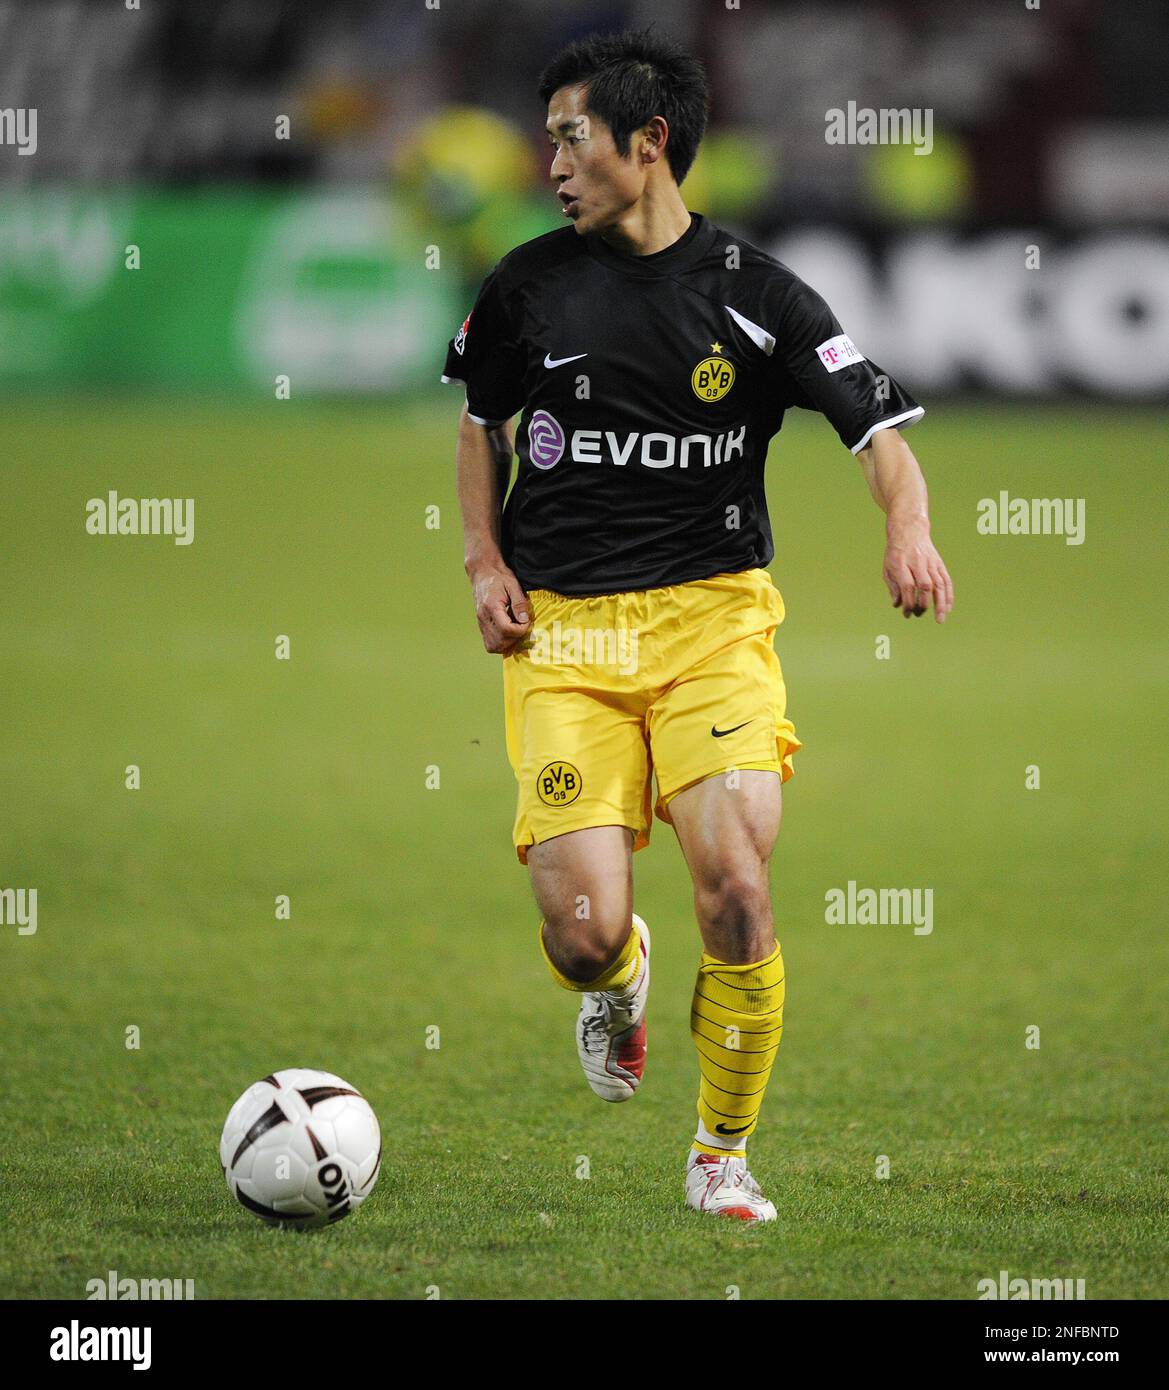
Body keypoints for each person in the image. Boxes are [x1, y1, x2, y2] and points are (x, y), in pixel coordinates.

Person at [442, 27, 953, 1221]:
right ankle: (613, 987)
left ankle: (720, 1152)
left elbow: (878, 432)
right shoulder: (525, 286)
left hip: (713, 628)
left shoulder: (761, 296)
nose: (552, 161)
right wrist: (481, 558)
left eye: (572, 136)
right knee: (579, 932)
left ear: (648, 141)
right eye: (549, 137)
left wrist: (906, 529)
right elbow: (479, 421)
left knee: (733, 880)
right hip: (562, 640)